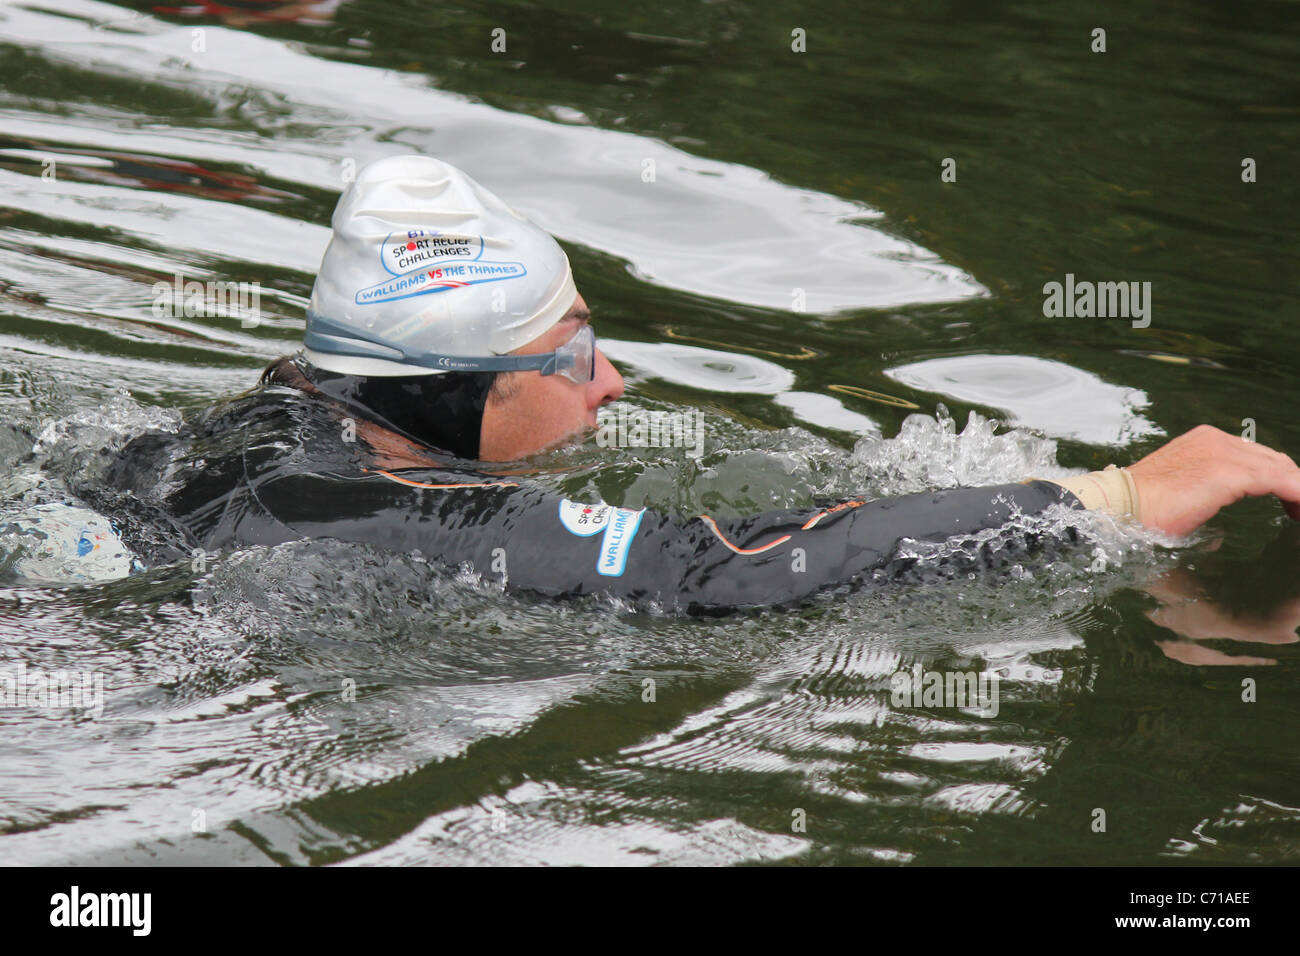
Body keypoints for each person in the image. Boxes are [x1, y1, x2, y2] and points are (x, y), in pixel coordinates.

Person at [91, 155, 1300, 613]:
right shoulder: (381, 511)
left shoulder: (264, 429)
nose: (612, 382)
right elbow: (708, 569)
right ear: (456, 389)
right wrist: (1121, 498)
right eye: (570, 353)